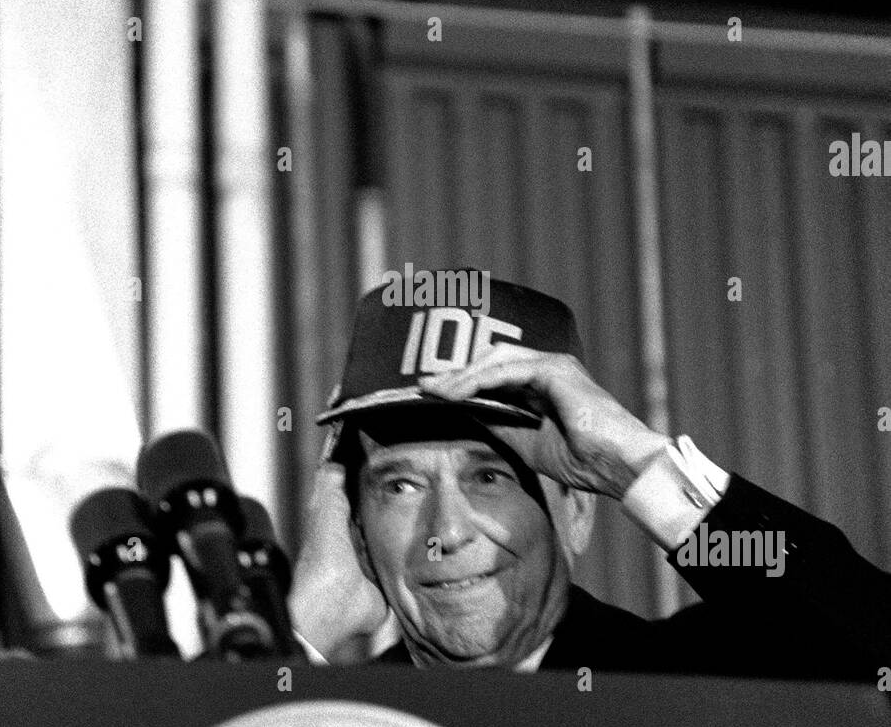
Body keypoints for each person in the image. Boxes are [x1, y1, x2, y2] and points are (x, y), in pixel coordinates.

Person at [289, 278, 891, 677]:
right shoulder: (332, 722)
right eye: (401, 487)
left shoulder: (692, 683)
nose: (445, 531)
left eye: (491, 478)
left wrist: (640, 467)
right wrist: (306, 624)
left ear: (576, 510)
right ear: (359, 532)